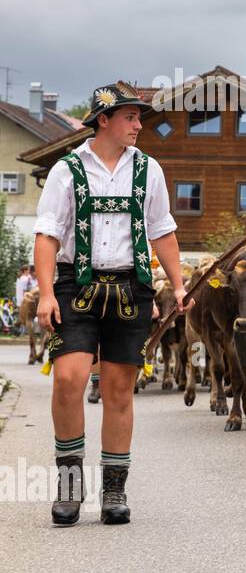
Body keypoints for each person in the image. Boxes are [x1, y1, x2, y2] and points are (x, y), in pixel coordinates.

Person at [34, 82, 188, 527]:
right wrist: (46, 293)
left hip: (131, 288)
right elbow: (47, 234)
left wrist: (178, 286)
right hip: (75, 286)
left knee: (119, 389)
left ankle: (114, 491)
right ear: (104, 120)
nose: (139, 125)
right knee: (69, 379)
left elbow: (162, 230)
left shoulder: (148, 170)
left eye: (139, 118)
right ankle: (69, 486)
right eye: (130, 117)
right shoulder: (67, 170)